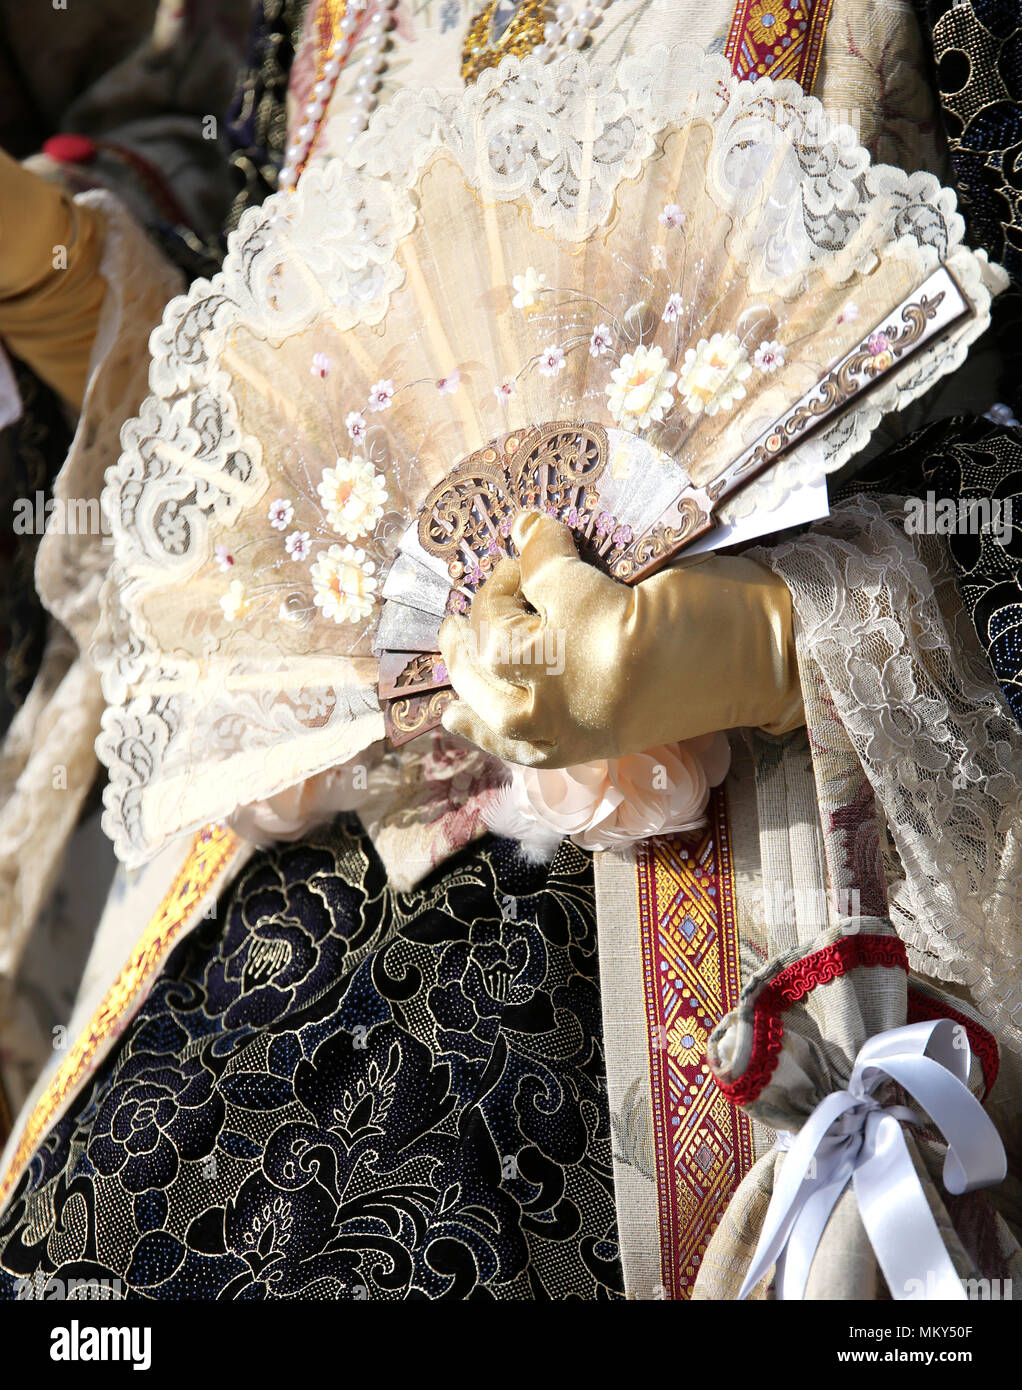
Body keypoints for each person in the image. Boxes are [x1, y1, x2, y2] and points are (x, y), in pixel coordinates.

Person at [0, 0, 1019, 1303]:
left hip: (746, 948)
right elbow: (246, 397)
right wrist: (52, 270)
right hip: (264, 927)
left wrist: (783, 639)